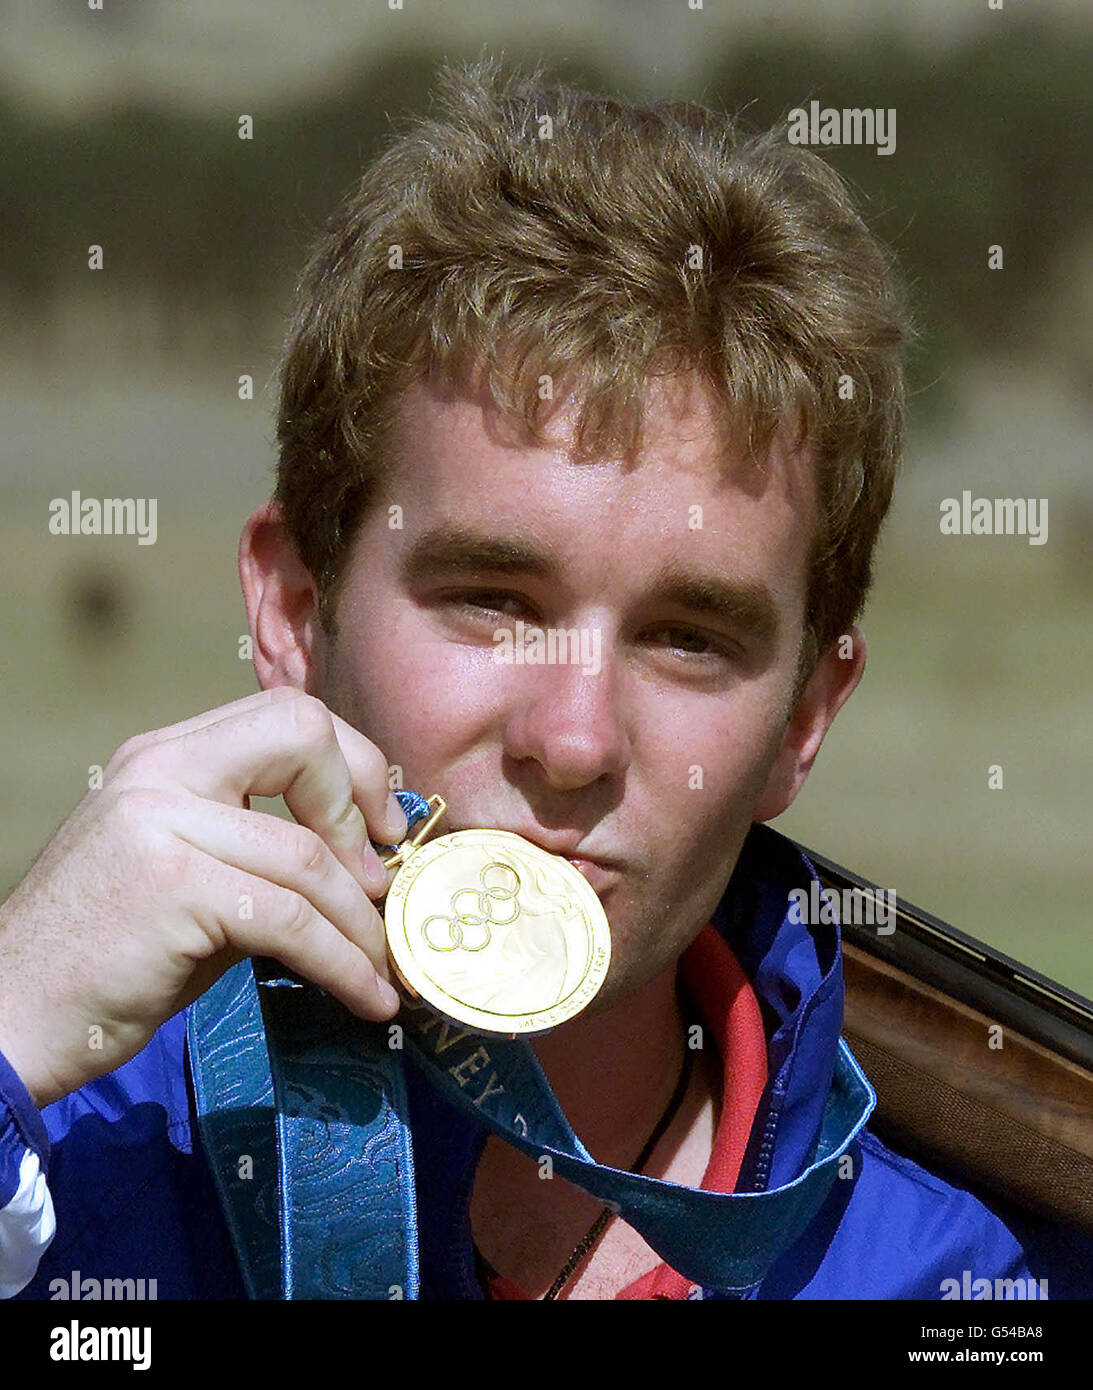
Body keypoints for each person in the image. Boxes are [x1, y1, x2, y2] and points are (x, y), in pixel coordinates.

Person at [1, 59, 1089, 1302]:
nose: (573, 741)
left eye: (690, 637)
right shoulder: (63, 1159)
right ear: (297, 611)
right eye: (492, 601)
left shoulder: (973, 1284)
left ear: (804, 715)